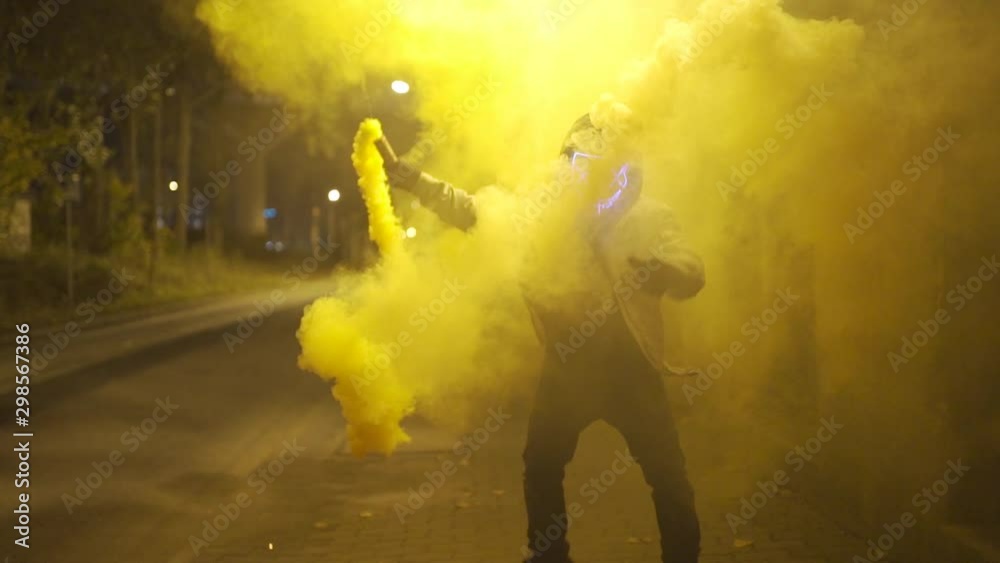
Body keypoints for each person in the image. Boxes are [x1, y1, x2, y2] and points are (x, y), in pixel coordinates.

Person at [376, 103, 704, 563]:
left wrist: (667, 272)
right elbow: (474, 212)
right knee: (543, 465)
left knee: (668, 475)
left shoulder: (650, 216)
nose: (597, 176)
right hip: (568, 368)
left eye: (611, 164)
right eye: (585, 163)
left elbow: (691, 266)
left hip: (631, 369)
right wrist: (414, 180)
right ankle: (550, 555)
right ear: (568, 163)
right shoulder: (545, 213)